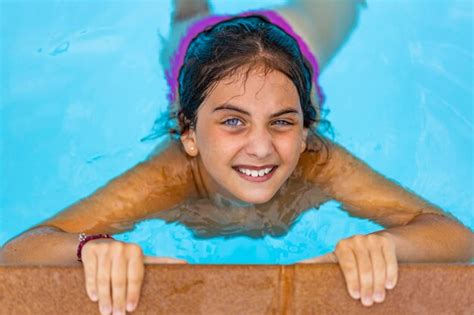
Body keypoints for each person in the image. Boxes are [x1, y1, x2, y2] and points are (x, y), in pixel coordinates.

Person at [1, 1, 472, 314]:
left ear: (307, 128)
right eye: (232, 122)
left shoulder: (319, 160)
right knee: (187, 15)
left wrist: (390, 246)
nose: (262, 146)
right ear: (188, 134)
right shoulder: (167, 178)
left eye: (283, 123)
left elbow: (456, 237)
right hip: (196, 46)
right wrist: (90, 248)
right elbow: (18, 253)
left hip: (292, 44)